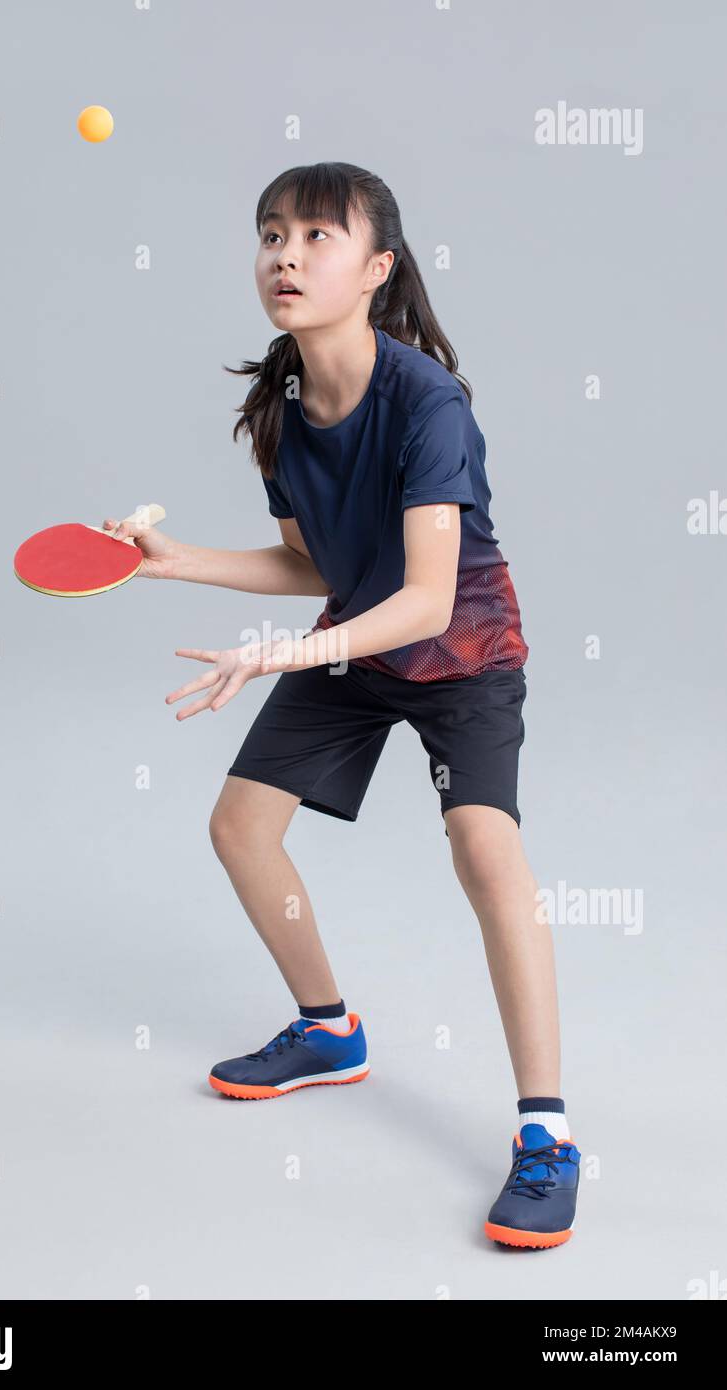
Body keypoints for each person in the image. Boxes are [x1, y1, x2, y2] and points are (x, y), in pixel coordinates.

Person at [103, 162, 580, 1250]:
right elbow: (309, 564)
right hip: (353, 640)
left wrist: (285, 654)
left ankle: (546, 1131)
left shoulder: (427, 401)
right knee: (238, 827)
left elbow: (419, 594)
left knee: (482, 847)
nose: (284, 253)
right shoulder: (279, 406)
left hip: (457, 649)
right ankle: (329, 1029)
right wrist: (180, 565)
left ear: (374, 269)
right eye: (271, 232)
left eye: (317, 235)